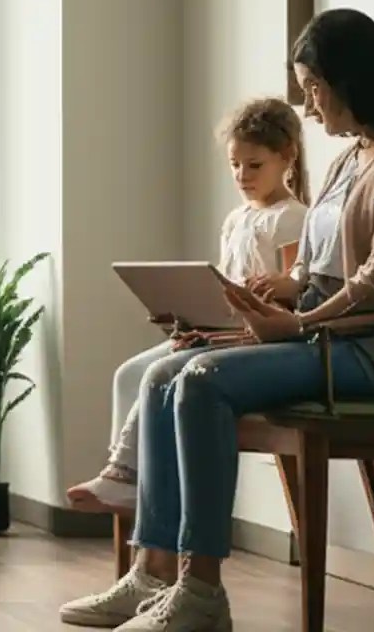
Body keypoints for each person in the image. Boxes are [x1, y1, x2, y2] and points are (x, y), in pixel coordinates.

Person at [59, 7, 374, 631]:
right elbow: (313, 273)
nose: (310, 108)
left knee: (200, 381)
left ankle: (201, 594)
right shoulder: (347, 161)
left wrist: (299, 325)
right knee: (168, 369)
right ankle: (152, 575)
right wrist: (249, 313)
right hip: (329, 335)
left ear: (350, 79)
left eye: (314, 90)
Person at [66, 98, 311, 514]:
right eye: (235, 164)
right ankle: (128, 476)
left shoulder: (291, 217)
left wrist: (278, 285)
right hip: (216, 331)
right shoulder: (235, 220)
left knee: (158, 375)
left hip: (252, 339)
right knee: (129, 373)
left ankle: (127, 479)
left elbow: (296, 287)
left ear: (286, 157)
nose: (241, 175)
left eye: (254, 165)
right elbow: (224, 284)